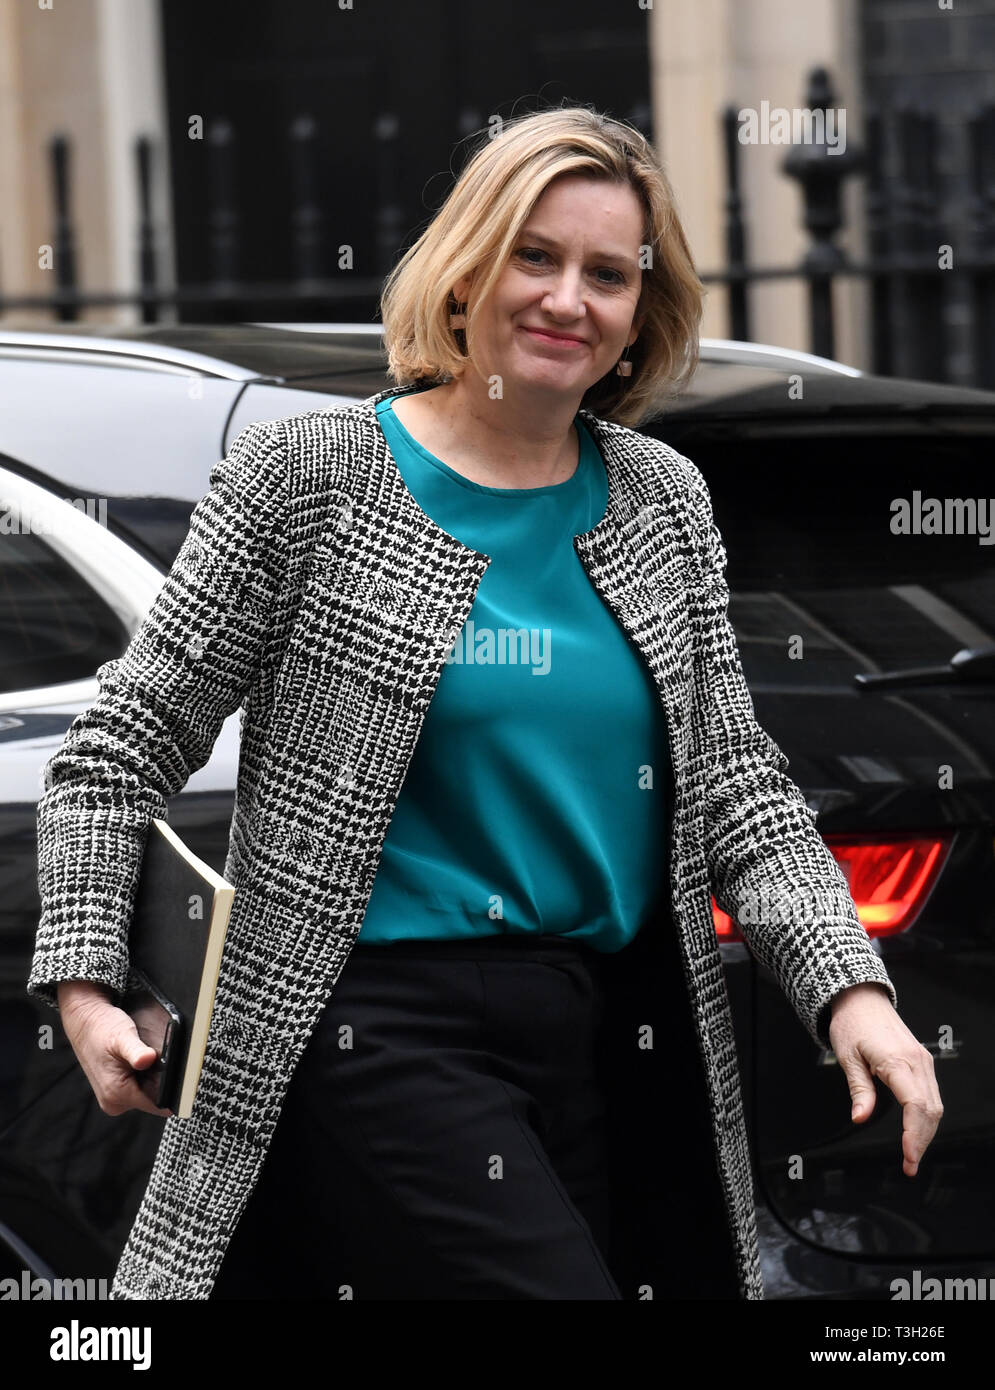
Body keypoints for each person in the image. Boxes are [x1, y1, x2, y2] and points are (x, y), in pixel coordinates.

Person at [33, 104, 942, 1302]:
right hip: (378, 1023)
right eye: (534, 254)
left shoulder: (661, 499)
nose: (568, 298)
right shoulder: (311, 477)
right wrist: (85, 975)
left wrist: (852, 994)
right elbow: (120, 746)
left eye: (607, 274)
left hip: (600, 1026)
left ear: (637, 312)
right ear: (464, 270)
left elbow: (737, 787)